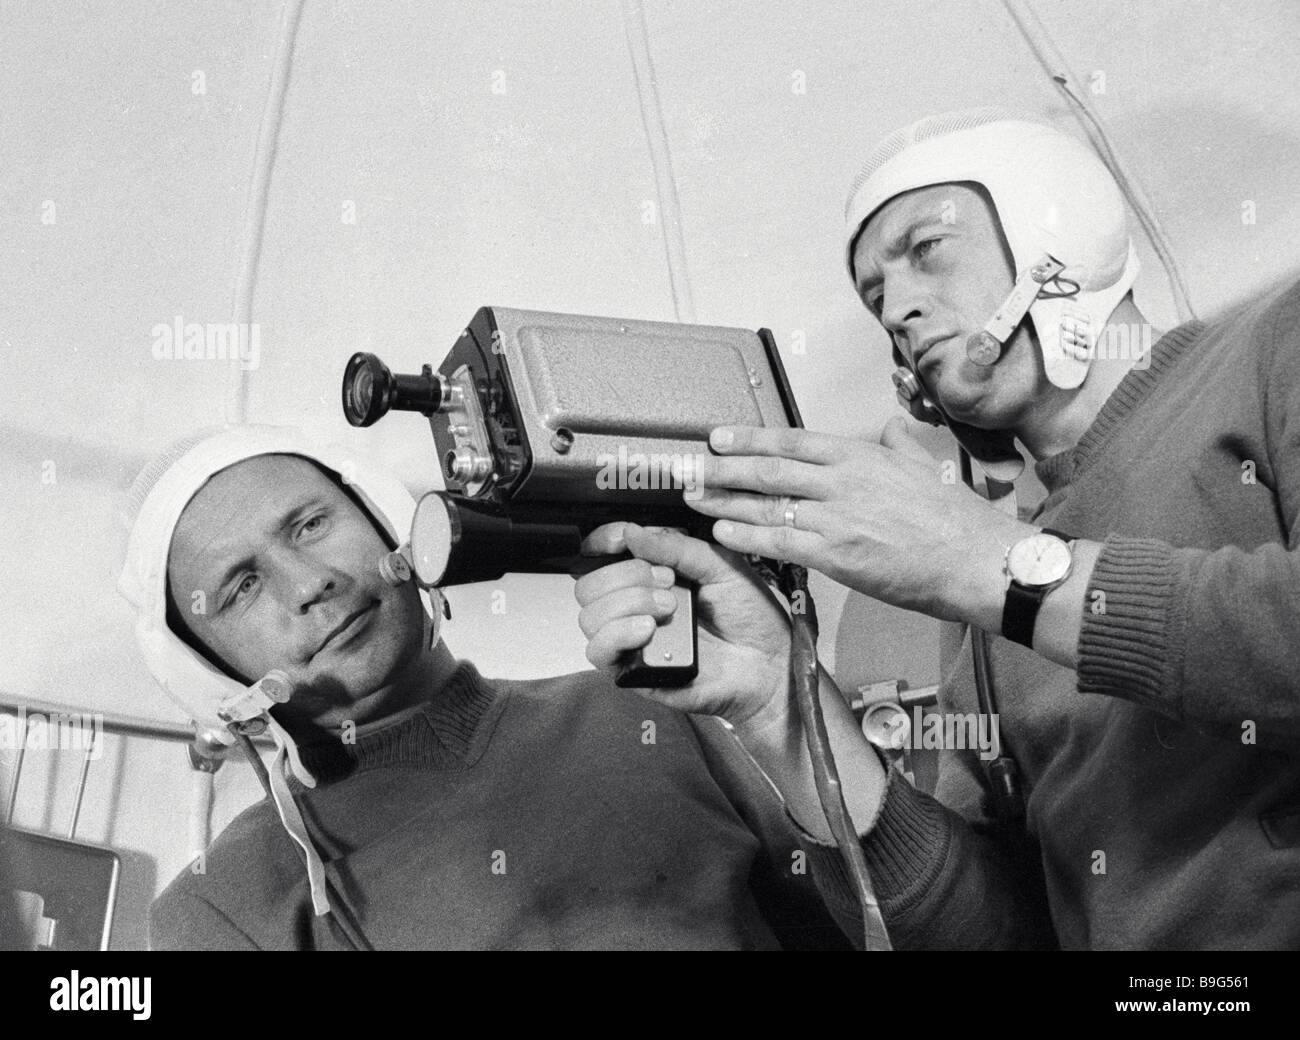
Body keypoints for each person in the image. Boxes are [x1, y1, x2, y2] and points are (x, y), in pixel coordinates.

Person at [575, 109, 1300, 949]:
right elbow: (999, 933)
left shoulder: (1275, 342)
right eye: (877, 297)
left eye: (927, 251)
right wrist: (785, 706)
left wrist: (991, 566)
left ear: (1056, 221)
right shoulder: (977, 613)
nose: (899, 312)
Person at [119, 425, 846, 950]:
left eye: (311, 525)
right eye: (242, 587)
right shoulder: (217, 907)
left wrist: (786, 706)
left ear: (389, 523)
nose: (312, 584)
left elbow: (886, 931)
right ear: (207, 670)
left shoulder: (655, 713)